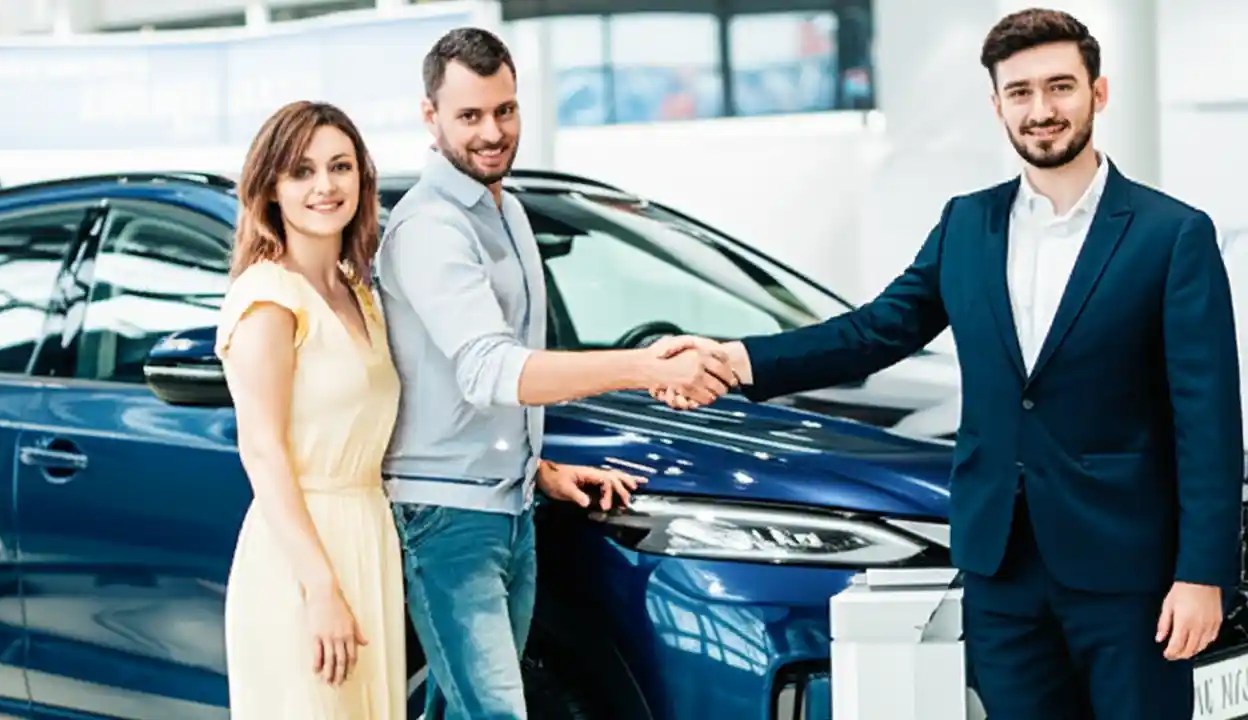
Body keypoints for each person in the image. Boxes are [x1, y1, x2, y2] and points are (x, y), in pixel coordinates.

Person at [657, 8, 1242, 720]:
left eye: (1060, 87)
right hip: (1002, 571)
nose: (1041, 110)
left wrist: (1203, 574)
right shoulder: (968, 223)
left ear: (1099, 92)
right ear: (997, 105)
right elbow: (873, 332)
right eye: (1020, 92)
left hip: (1127, 576)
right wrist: (738, 358)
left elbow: (1207, 420)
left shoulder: (1170, 234)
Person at [374, 27, 735, 720]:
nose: (492, 132)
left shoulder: (504, 211)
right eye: (470, 115)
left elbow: (463, 388)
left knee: (459, 709)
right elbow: (488, 370)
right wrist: (642, 366)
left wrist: (540, 466)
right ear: (431, 117)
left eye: (505, 111)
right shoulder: (430, 229)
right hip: (448, 518)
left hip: (508, 507)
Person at [217, 100, 406, 719]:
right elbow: (262, 450)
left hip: (368, 537)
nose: (325, 186)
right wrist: (319, 588)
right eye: (301, 171)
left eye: (340, 166)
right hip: (298, 557)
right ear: (270, 188)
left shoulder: (359, 292)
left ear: (362, 178)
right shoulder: (268, 297)